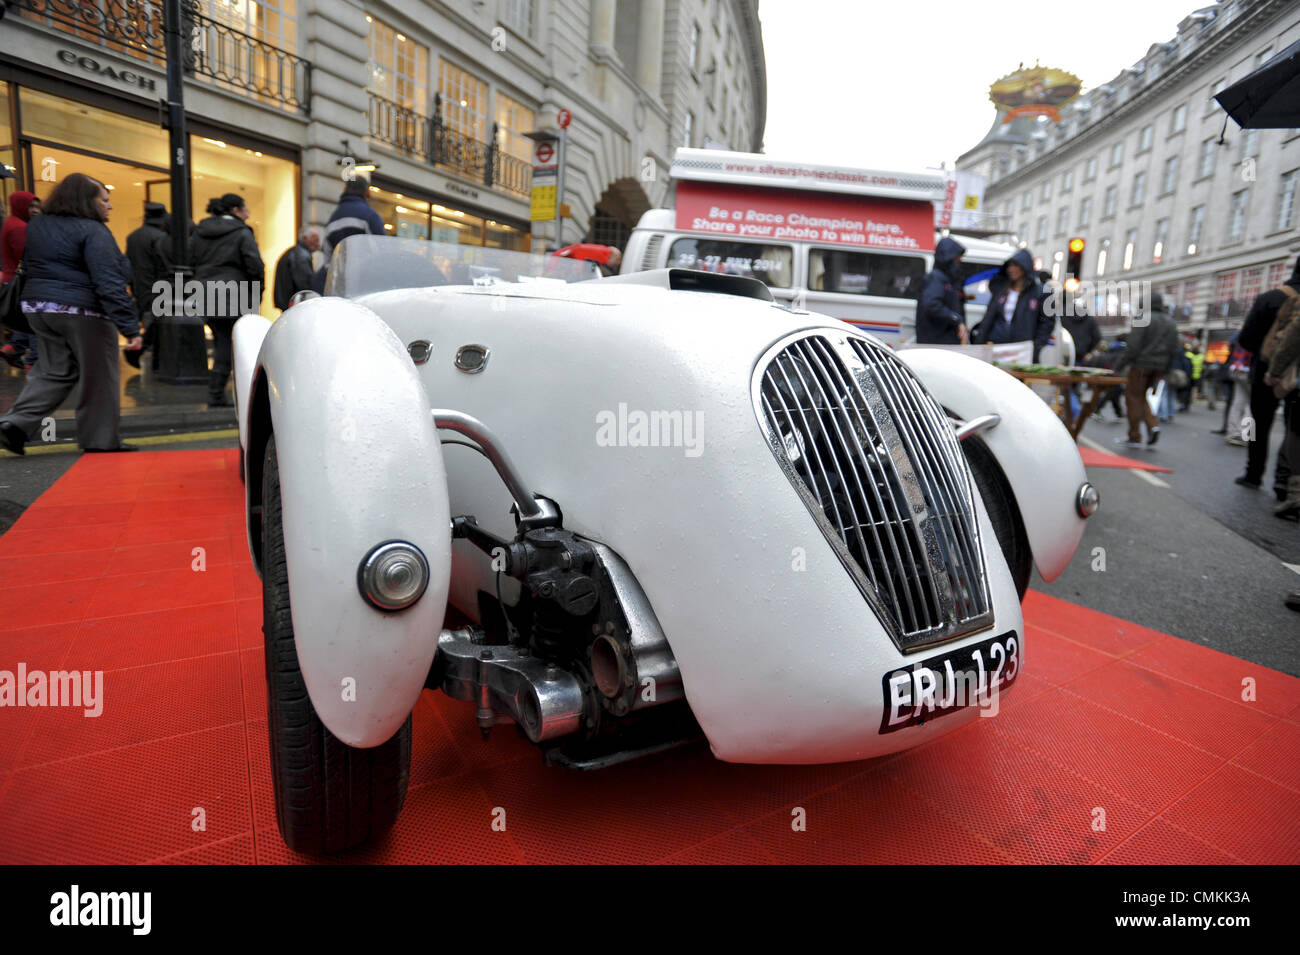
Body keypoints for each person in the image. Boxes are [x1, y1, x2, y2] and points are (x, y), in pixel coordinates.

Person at [0, 174, 142, 455]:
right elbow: (108, 280)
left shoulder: (39, 225)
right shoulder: (94, 230)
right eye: (105, 200)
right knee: (99, 376)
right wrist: (130, 326)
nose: (109, 206)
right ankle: (100, 440)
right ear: (86, 201)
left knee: (53, 372)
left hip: (38, 308)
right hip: (83, 311)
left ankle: (14, 424)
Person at [190, 193, 264, 408]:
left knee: (222, 338)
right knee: (233, 343)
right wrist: (257, 290)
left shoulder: (199, 232)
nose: (248, 213)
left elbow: (190, 259)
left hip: (204, 290)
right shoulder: (242, 232)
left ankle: (218, 390)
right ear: (235, 211)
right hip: (234, 291)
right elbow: (254, 264)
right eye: (245, 209)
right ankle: (219, 392)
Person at [1235, 254, 1300, 494]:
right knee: (1295, 429)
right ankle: (1285, 479)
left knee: (1258, 423)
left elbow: (1246, 338)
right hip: (1298, 374)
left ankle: (1253, 473)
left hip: (1265, 371)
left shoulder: (1270, 298)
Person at [1113, 291, 1179, 448]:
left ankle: (1134, 436)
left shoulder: (1143, 319)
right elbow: (1174, 349)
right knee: (1141, 397)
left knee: (1133, 397)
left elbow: (1133, 346)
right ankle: (1153, 426)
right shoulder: (1171, 322)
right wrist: (1166, 370)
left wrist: (1118, 366)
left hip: (1141, 365)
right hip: (1160, 367)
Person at [970, 249, 1053, 360]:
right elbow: (988, 318)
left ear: (1024, 267)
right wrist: (979, 343)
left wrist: (1036, 347)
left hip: (1023, 350)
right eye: (1009, 266)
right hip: (998, 347)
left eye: (1015, 265)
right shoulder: (1001, 290)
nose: (1011, 269)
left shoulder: (1040, 292)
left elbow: (1047, 323)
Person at [124, 202, 169, 369]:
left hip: (140, 288)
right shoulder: (160, 238)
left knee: (150, 324)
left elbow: (127, 264)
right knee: (157, 329)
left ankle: (144, 355)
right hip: (157, 289)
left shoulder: (134, 236)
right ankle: (149, 360)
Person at [1, 190, 41, 369]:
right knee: (34, 320)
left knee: (26, 317)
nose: (35, 210)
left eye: (37, 207)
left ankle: (13, 347)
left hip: (13, 279)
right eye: (31, 206)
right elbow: (28, 256)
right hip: (22, 281)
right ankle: (34, 361)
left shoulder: (12, 223)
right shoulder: (20, 227)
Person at [914, 236, 968, 344]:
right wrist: (955, 319)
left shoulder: (950, 280)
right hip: (936, 340)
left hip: (944, 340)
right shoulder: (936, 278)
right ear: (948, 258)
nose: (959, 262)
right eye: (957, 259)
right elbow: (932, 304)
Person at [323, 175, 385, 256]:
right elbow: (382, 249)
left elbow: (328, 258)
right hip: (364, 267)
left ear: (345, 190)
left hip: (342, 268)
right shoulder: (370, 216)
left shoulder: (332, 220)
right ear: (367, 193)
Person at [273, 226, 321, 311]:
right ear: (304, 238)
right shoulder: (301, 256)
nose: (318, 244)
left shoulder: (293, 252)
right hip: (295, 305)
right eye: (315, 240)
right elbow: (305, 285)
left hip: (289, 304)